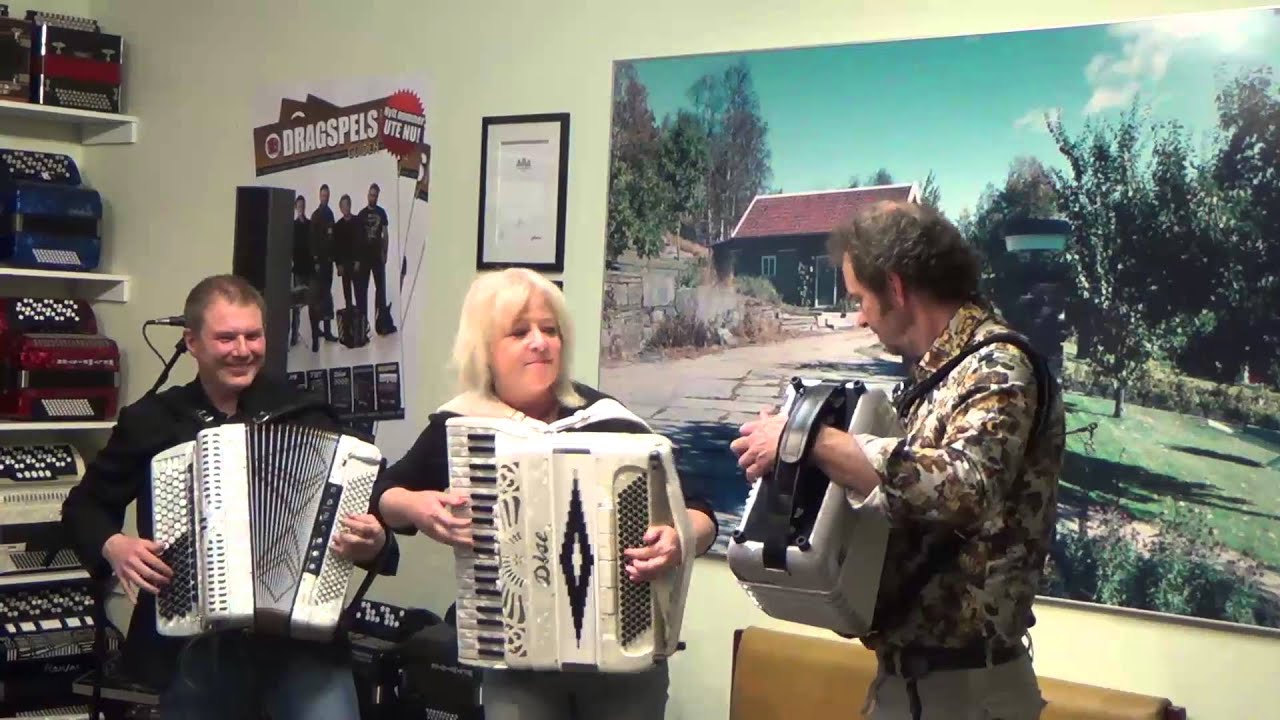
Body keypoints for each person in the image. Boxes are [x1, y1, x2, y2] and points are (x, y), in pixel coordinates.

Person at [731, 200, 1065, 720]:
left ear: (897, 287)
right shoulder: (935, 375)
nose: (860, 317)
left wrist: (810, 440)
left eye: (861, 299)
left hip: (969, 694)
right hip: (905, 681)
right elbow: (899, 503)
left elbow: (966, 487)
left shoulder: (999, 367)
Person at [372, 267, 718, 720]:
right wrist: (415, 507)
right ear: (486, 351)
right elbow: (381, 493)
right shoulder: (463, 426)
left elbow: (702, 514)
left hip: (623, 662)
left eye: (550, 330)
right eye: (520, 332)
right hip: (514, 661)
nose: (541, 342)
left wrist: (677, 539)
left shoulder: (609, 420)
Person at [60, 274, 398, 720]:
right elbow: (84, 506)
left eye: (252, 335)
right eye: (226, 337)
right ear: (192, 342)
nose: (243, 349)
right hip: (194, 643)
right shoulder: (153, 420)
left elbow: (373, 519)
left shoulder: (308, 412)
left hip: (302, 643)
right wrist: (115, 546)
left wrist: (375, 543)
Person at [355, 182, 397, 336]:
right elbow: (358, 239)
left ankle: (381, 324)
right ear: (368, 195)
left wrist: (385, 253)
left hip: (377, 257)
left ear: (378, 197)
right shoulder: (361, 215)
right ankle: (363, 325)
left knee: (380, 291)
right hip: (364, 258)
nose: (373, 197)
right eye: (371, 194)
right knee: (363, 291)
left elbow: (385, 234)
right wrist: (358, 260)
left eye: (375, 195)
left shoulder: (382, 213)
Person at [308, 183, 338, 351]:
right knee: (316, 300)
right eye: (323, 195)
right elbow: (312, 241)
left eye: (327, 195)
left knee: (327, 298)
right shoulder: (316, 215)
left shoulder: (330, 214)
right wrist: (316, 261)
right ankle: (314, 336)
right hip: (318, 265)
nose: (325, 198)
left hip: (328, 264)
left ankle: (327, 332)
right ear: (319, 196)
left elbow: (332, 238)